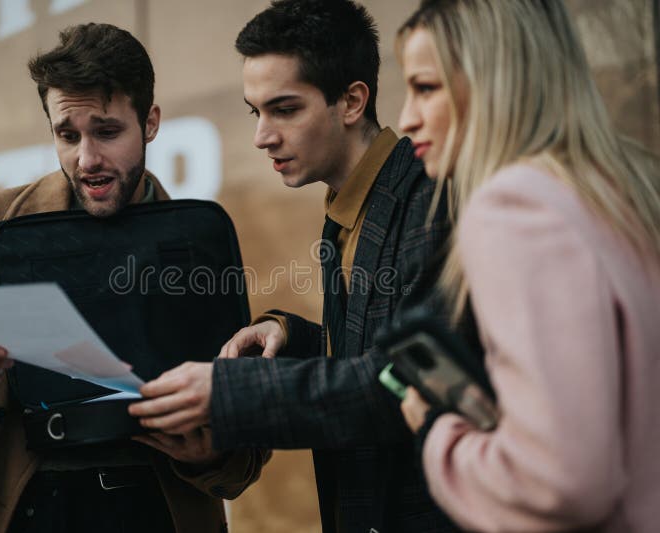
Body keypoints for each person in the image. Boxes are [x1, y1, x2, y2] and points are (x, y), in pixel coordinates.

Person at [0, 23, 265, 533]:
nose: (87, 159)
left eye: (106, 131)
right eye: (67, 135)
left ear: (150, 123)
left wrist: (207, 454)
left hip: (155, 510)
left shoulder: (198, 241)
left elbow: (245, 455)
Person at [129, 1, 457, 531]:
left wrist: (228, 392)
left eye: (283, 109)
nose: (261, 135)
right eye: (254, 112)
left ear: (352, 101)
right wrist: (285, 334)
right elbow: (374, 346)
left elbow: (404, 381)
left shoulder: (431, 200)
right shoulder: (351, 203)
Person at [395, 1, 660, 532]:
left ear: (494, 84)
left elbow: (559, 482)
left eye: (426, 88)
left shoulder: (512, 207)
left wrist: (438, 433)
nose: (406, 118)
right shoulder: (618, 190)